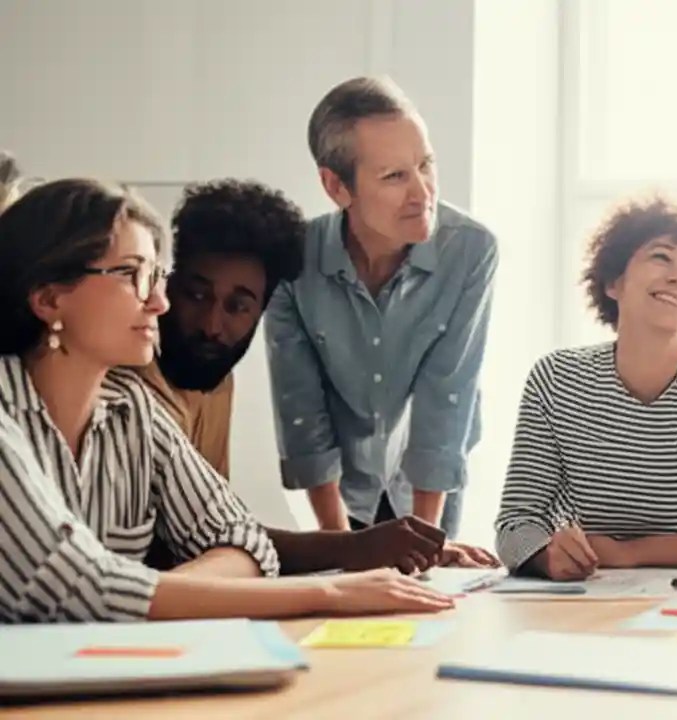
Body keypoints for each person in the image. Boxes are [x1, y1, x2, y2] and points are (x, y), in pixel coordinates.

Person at [0, 178, 453, 622]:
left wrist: (166, 595)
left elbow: (245, 539)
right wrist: (330, 592)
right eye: (131, 275)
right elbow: (82, 585)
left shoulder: (131, 409)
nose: (159, 302)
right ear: (49, 298)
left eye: (156, 276)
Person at [138, 179, 472, 575]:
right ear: (168, 282)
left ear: (261, 311)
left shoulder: (215, 380)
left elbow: (217, 531)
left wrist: (398, 548)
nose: (212, 324)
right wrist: (353, 547)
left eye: (238, 306)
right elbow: (193, 544)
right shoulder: (133, 386)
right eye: (196, 295)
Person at [265, 76, 497, 548]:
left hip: (427, 485)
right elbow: (300, 407)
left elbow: (446, 397)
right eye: (394, 176)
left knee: (422, 588)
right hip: (339, 489)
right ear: (336, 186)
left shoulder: (471, 251)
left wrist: (428, 544)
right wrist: (339, 544)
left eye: (425, 165)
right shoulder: (291, 260)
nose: (422, 194)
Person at [494, 197, 677, 579]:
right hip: (581, 596)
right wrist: (546, 557)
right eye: (661, 257)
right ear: (614, 282)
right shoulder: (556, 379)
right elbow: (515, 524)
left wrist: (626, 553)